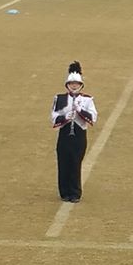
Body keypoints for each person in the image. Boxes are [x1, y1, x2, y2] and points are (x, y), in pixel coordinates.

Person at [50, 62, 98, 203]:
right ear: (67, 85)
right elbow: (53, 117)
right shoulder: (60, 99)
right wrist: (65, 117)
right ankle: (64, 192)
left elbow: (93, 117)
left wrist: (80, 111)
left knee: (76, 163)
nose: (74, 86)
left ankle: (75, 193)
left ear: (81, 85)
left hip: (79, 135)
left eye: (77, 84)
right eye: (71, 83)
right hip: (64, 134)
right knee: (63, 162)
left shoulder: (87, 100)